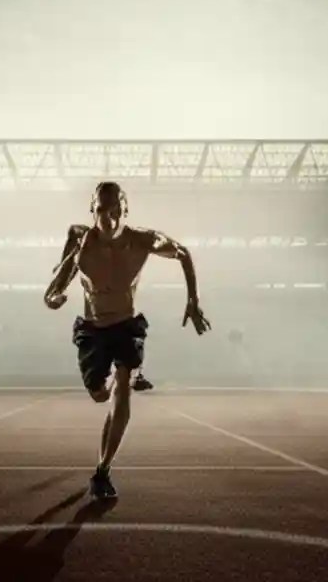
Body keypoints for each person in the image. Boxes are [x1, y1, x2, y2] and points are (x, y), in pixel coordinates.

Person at [44, 181, 211, 500]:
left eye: (116, 211)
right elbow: (51, 291)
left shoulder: (142, 240)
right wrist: (54, 299)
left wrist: (193, 300)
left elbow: (183, 253)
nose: (110, 219)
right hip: (93, 330)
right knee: (98, 394)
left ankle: (102, 471)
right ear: (93, 211)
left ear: (125, 210)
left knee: (122, 388)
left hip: (126, 325)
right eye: (103, 211)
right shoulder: (82, 249)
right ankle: (119, 378)